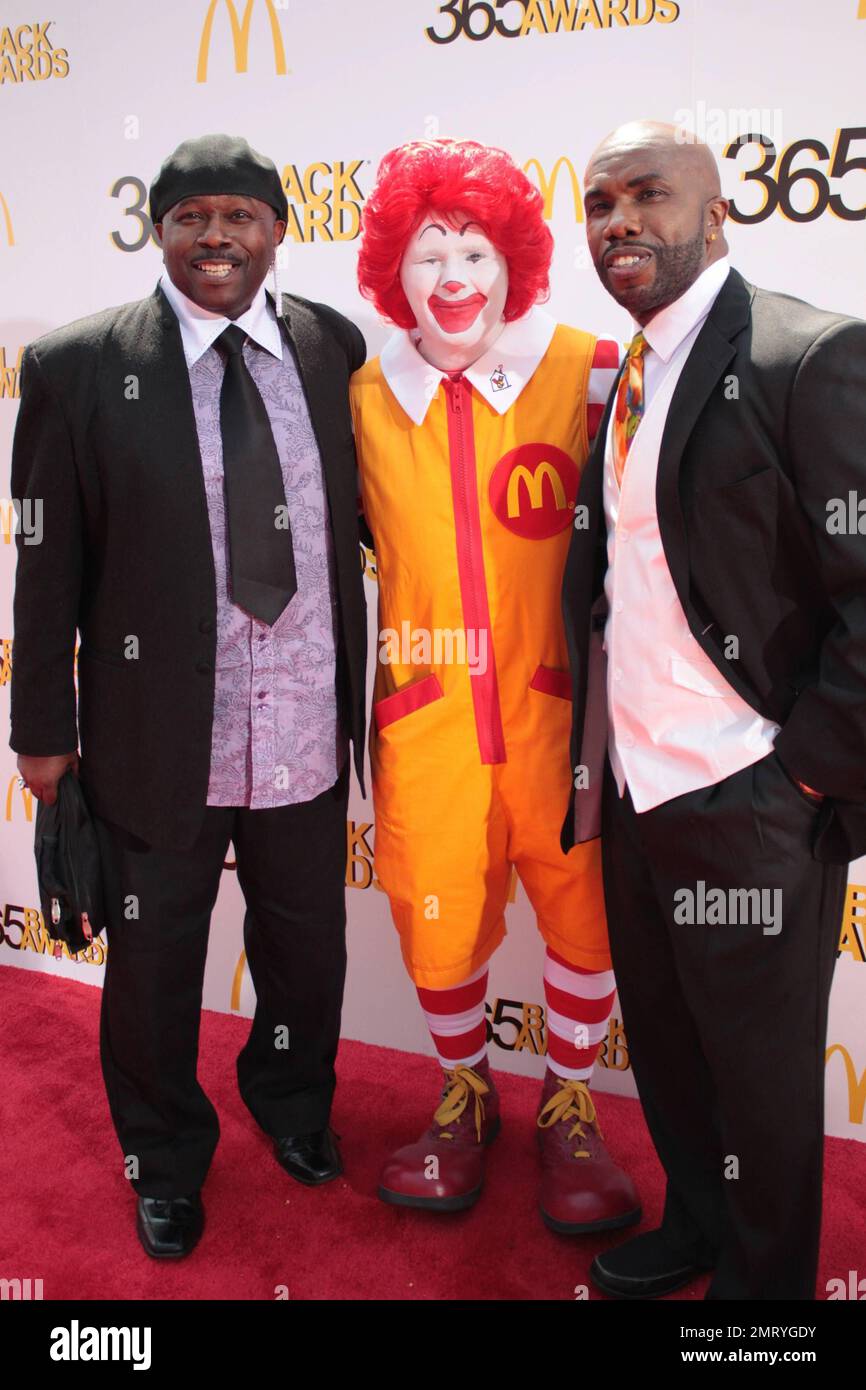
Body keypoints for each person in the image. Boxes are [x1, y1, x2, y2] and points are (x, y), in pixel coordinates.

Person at [10, 134, 368, 1259]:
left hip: (305, 724)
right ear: (155, 229)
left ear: (278, 227)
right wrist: (42, 737)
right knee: (155, 958)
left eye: (241, 216)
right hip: (158, 734)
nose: (217, 238)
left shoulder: (330, 346)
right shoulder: (75, 366)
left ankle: (291, 1098)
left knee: (308, 948)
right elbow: (45, 562)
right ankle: (161, 1155)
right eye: (191, 217)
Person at [562, 120, 866, 1299]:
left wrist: (797, 776)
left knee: (758, 1075)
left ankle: (759, 1298)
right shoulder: (627, 370)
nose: (620, 222)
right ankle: (696, 1225)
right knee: (678, 1054)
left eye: (647, 195)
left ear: (717, 211)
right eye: (598, 202)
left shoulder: (810, 354)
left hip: (749, 795)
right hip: (639, 792)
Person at [350, 138, 639, 1232]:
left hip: (561, 720)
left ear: (515, 260)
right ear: (392, 272)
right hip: (425, 725)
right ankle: (462, 1093)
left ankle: (569, 1101)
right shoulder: (364, 397)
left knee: (585, 922)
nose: (454, 275)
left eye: (475, 247)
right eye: (428, 253)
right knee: (437, 922)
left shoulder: (593, 368)